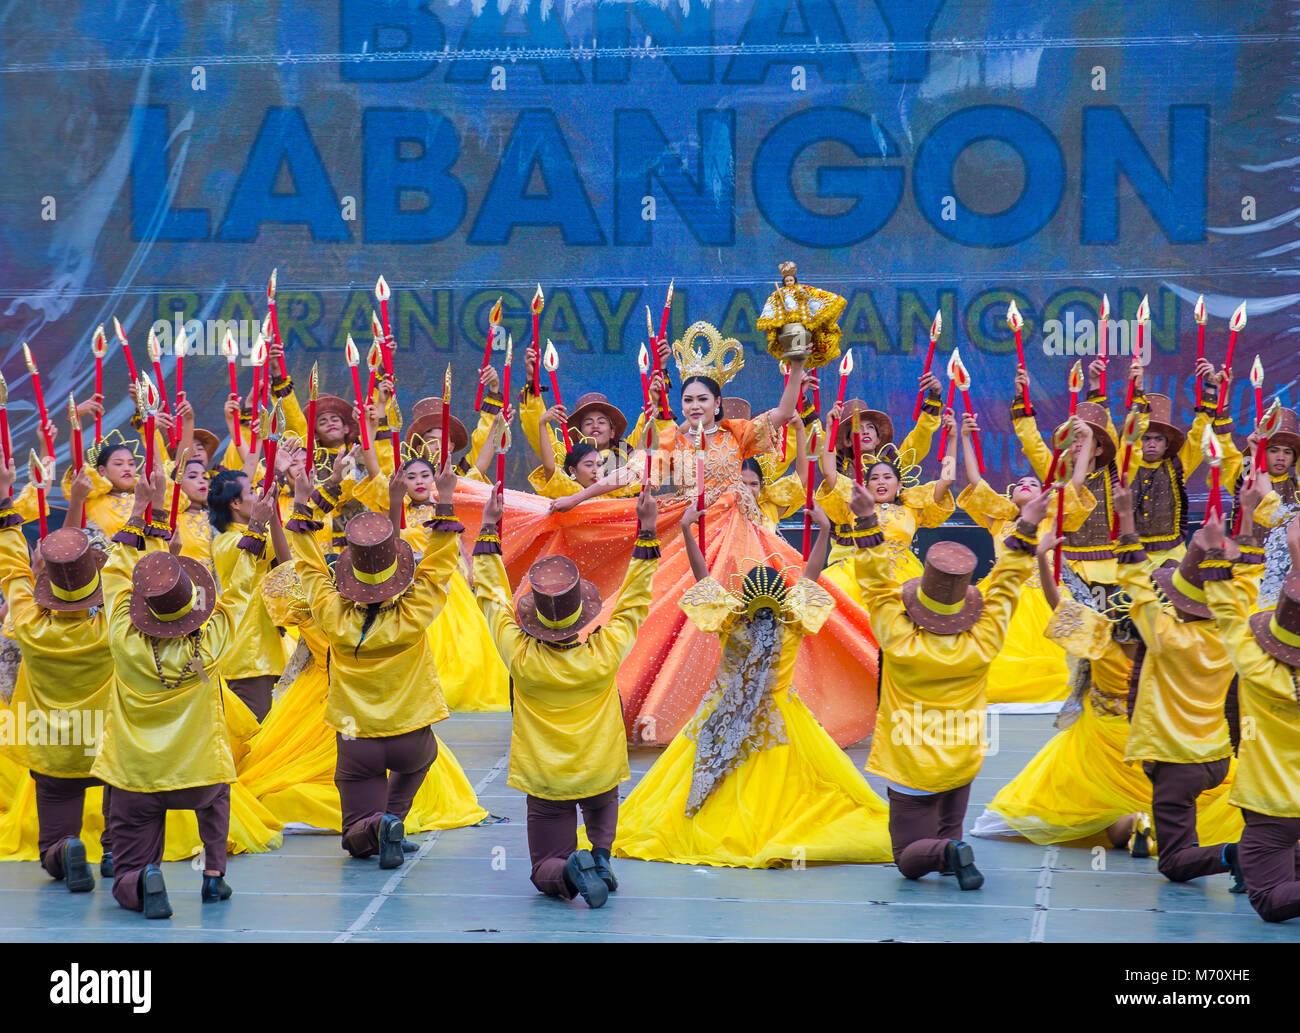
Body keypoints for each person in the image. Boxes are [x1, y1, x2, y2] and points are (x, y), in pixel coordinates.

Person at [611, 498, 891, 867]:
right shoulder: (792, 622)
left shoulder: (730, 621)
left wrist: (685, 530)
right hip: (781, 720)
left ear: (742, 598)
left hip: (720, 717)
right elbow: (812, 573)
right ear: (783, 598)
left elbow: (702, 577)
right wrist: (824, 530)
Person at [471, 483, 660, 907]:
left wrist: (488, 528)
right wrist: (646, 531)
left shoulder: (520, 657)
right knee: (601, 808)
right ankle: (600, 856)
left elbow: (492, 598)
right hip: (600, 770)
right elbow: (633, 604)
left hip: (547, 779)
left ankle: (572, 868)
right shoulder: (605, 652)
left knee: (544, 871)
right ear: (582, 613)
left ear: (533, 617)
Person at [93, 469, 269, 918]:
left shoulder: (121, 635)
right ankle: (213, 876)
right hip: (198, 774)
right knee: (220, 794)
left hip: (137, 778)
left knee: (130, 855)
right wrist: (259, 527)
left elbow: (115, 572)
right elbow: (239, 594)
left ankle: (140, 878)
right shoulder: (208, 643)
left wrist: (139, 515)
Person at [854, 480, 1047, 889]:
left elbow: (874, 585)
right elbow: (1007, 587)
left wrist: (867, 520)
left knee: (908, 859)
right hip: (961, 761)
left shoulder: (899, 639)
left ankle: (949, 853)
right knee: (947, 832)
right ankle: (951, 850)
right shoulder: (983, 641)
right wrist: (1026, 528)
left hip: (911, 765)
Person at [286, 456, 464, 868]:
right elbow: (438, 567)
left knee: (354, 840)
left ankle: (378, 826)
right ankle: (393, 820)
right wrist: (447, 500)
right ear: (401, 575)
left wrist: (300, 504)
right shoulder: (414, 611)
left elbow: (310, 568)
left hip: (355, 739)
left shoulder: (332, 613)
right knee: (424, 758)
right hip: (410, 738)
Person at [1114, 481, 1244, 888]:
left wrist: (1125, 516)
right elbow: (1250, 581)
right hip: (1218, 758)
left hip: (1177, 761)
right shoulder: (1234, 633)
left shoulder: (1165, 635)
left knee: (1173, 862)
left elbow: (1134, 579)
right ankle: (1242, 861)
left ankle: (1234, 855)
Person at [0, 460, 113, 892]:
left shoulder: (27, 622)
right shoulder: (111, 625)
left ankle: (65, 850)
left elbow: (12, 569)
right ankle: (117, 853)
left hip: (53, 750)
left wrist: (4, 499)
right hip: (106, 744)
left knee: (54, 838)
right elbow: (130, 572)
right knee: (120, 824)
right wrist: (148, 510)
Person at [1201, 507, 1300, 922]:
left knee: (1267, 901)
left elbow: (1225, 612)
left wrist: (1216, 554)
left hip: (1270, 811)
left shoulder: (1256, 668)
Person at [957, 411, 1095, 704]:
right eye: (1020, 483)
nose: (1025, 484)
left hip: (1042, 594)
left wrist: (1089, 438)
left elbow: (1078, 482)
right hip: (1000, 596)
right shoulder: (999, 521)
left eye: (1033, 483)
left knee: (1053, 662)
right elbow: (975, 480)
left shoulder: (1052, 516)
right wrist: (965, 438)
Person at [208, 467, 290, 722]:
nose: (258, 496)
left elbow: (287, 563)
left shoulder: (250, 536)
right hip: (249, 658)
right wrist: (260, 520)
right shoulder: (228, 543)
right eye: (253, 492)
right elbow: (274, 548)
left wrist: (273, 514)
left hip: (267, 652)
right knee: (255, 740)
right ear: (235, 502)